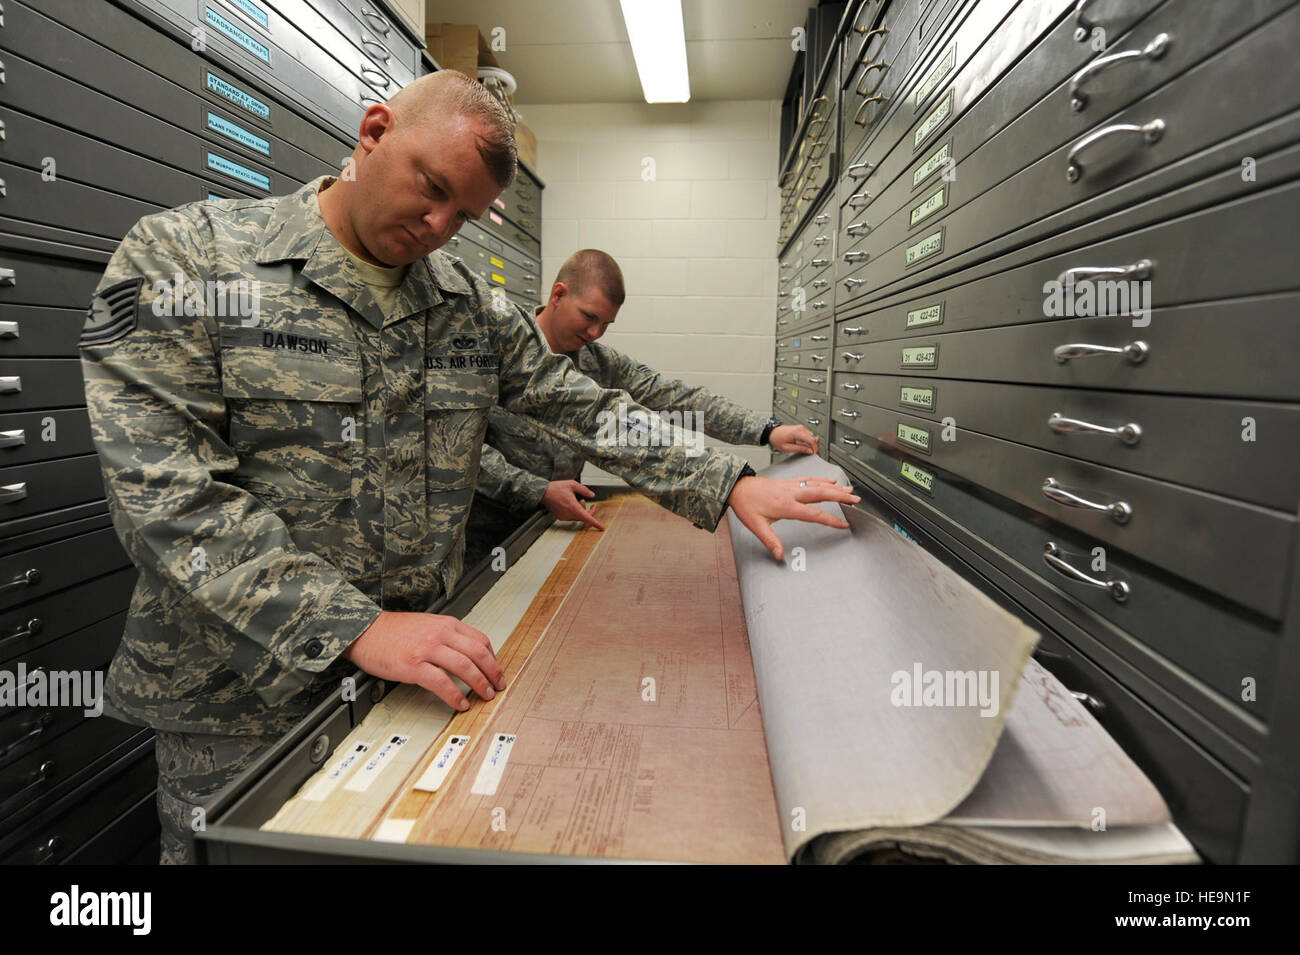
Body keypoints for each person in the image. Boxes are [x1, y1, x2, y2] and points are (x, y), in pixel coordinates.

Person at [78, 70, 858, 864]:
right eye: (433, 188)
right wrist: (358, 627)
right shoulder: (187, 259)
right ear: (374, 133)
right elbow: (166, 498)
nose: (439, 226)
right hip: (240, 705)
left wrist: (728, 481)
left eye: (465, 214)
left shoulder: (466, 305)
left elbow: (578, 402)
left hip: (413, 679)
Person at [464, 249, 820, 568]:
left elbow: (676, 398)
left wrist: (765, 429)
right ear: (559, 294)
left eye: (606, 324)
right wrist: (535, 488)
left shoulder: (598, 362)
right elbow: (461, 447)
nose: (595, 332)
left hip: (554, 525)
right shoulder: (498, 350)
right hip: (483, 533)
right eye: (589, 317)